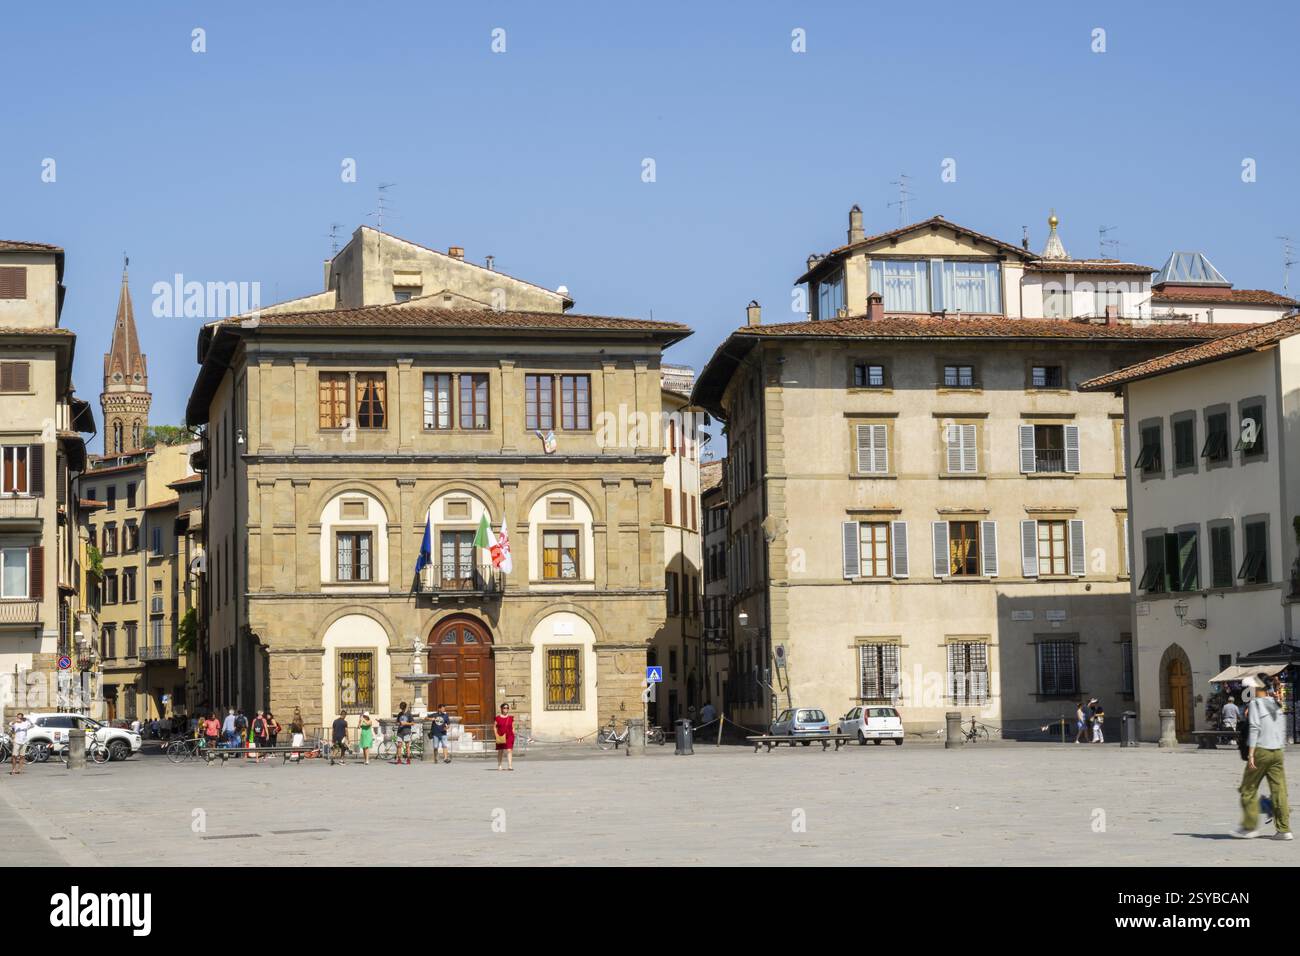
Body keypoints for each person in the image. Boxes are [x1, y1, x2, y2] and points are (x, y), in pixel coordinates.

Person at [1233, 674, 1292, 840]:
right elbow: (1282, 729)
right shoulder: (1277, 704)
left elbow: (1254, 729)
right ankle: (1284, 829)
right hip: (1278, 751)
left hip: (1261, 750)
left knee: (1248, 788)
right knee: (1279, 790)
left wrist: (1251, 754)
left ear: (1257, 688)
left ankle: (1249, 827)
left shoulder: (1255, 704)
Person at [494, 702, 516, 771]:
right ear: (501, 709)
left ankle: (510, 766)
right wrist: (496, 735)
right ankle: (499, 765)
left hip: (509, 736)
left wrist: (513, 731)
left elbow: (513, 726)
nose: (506, 709)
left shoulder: (511, 718)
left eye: (507, 708)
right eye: (504, 708)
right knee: (500, 751)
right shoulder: (497, 718)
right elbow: (494, 727)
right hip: (501, 736)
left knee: (509, 750)